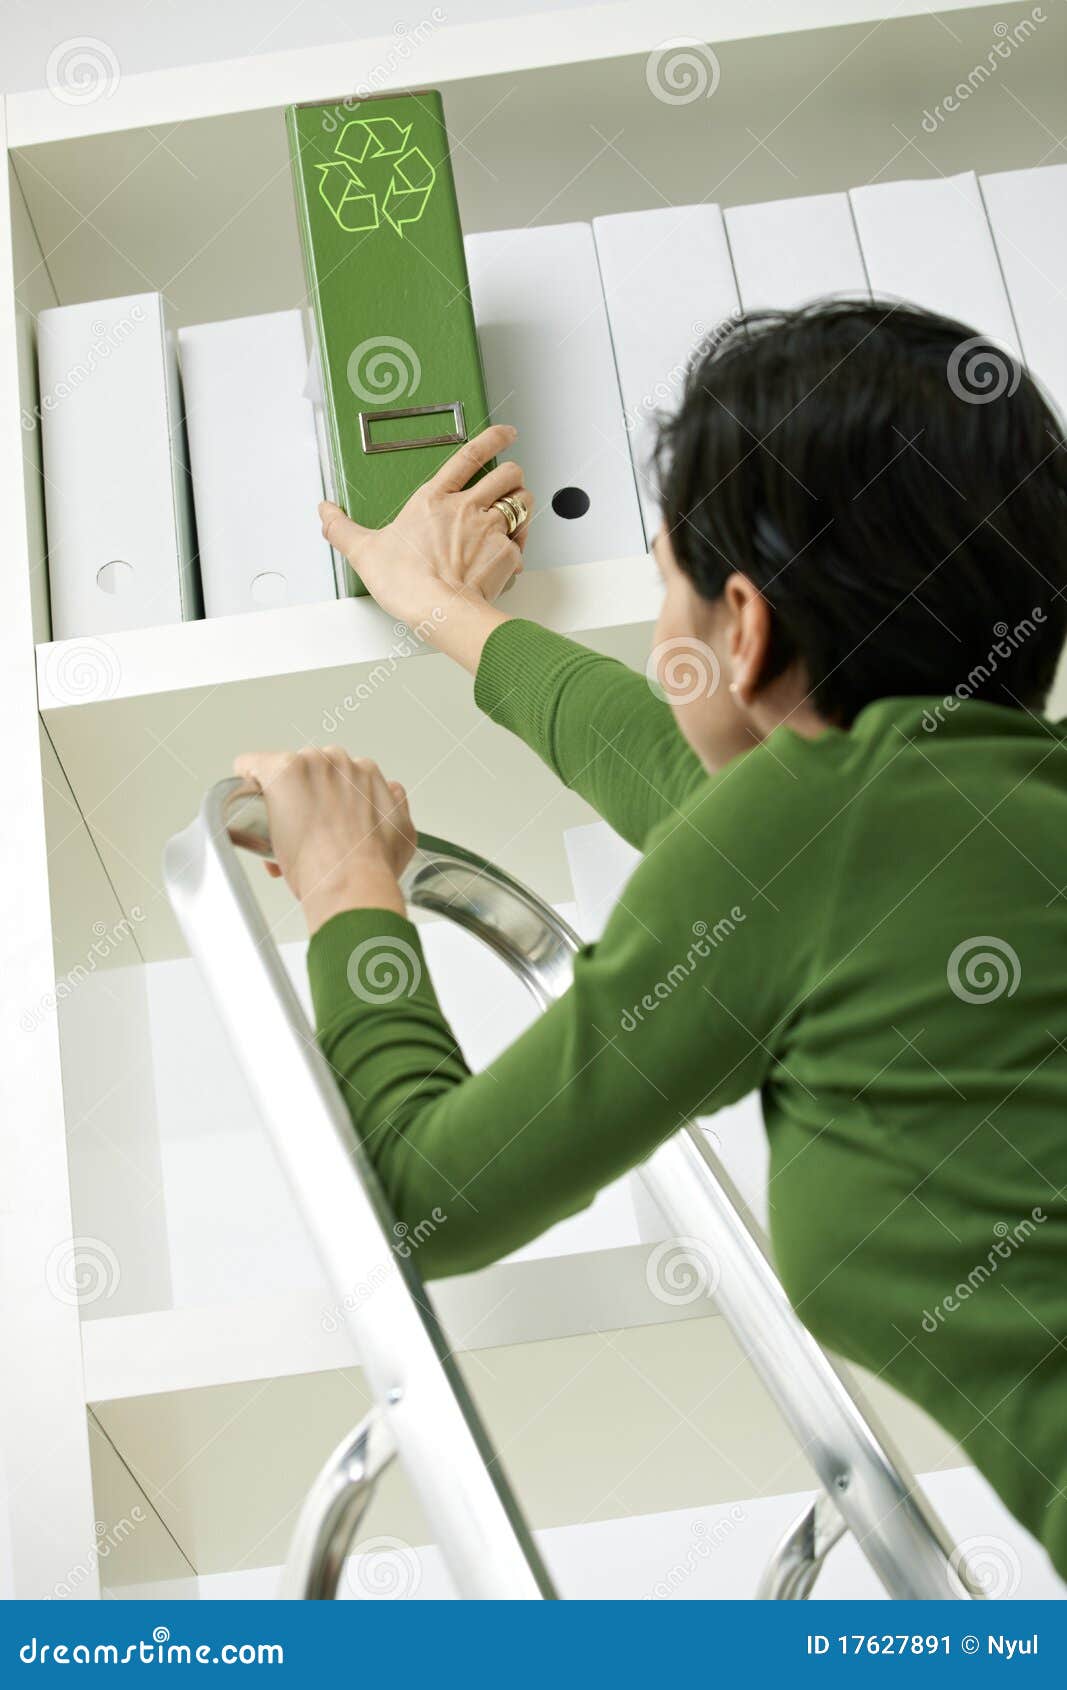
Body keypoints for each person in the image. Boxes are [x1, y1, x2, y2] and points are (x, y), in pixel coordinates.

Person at [238, 300, 1067, 1581]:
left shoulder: (811, 837)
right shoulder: (955, 824)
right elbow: (691, 787)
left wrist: (345, 880)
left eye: (662, 581)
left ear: (742, 625)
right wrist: (446, 610)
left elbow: (429, 1200)